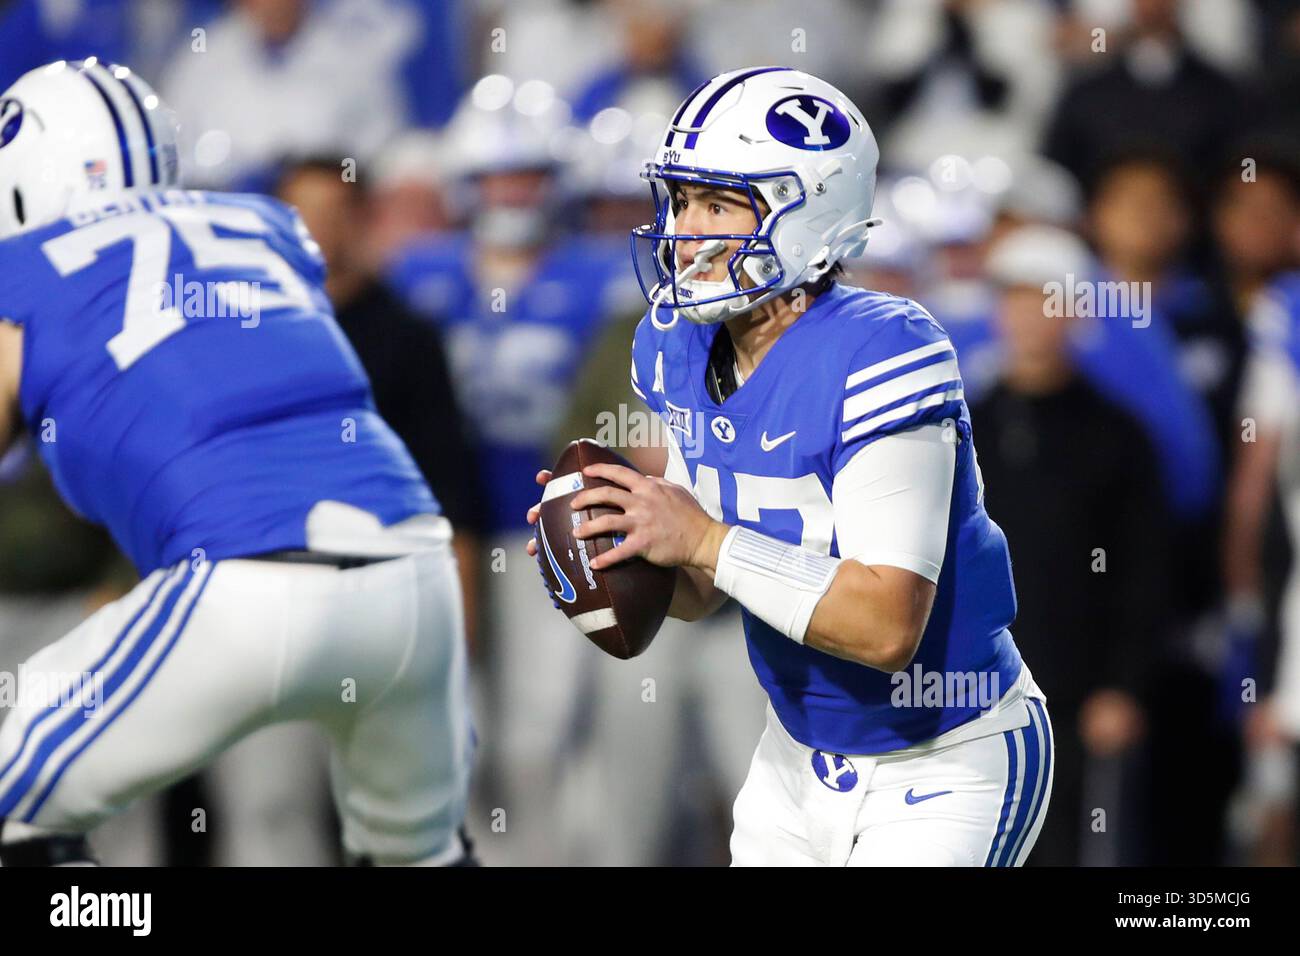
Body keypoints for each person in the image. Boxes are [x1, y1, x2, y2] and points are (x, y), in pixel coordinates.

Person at [528, 67, 1053, 865]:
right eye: (680, 201)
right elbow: (705, 592)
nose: (686, 231)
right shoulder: (679, 343)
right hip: (794, 756)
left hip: (943, 752)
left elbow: (885, 626)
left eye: (716, 204)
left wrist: (699, 537)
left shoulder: (880, 348)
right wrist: (619, 546)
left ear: (808, 211)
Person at [0, 60, 473, 866]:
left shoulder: (29, 268)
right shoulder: (269, 229)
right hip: (414, 579)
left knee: (15, 807)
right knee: (419, 856)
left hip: (248, 579)